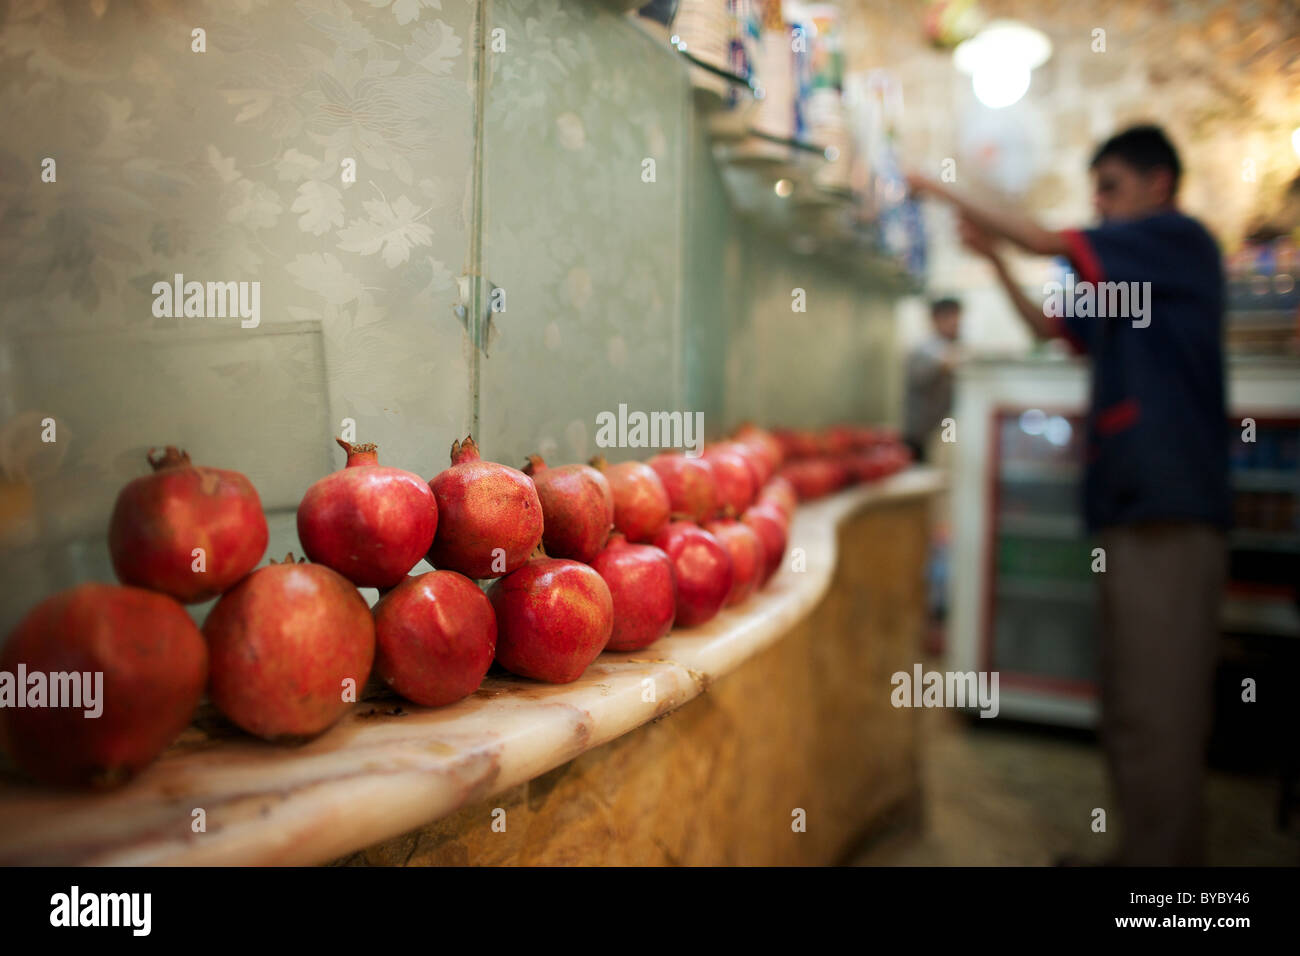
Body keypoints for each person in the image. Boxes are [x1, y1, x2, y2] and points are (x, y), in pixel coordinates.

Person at [909, 124, 1231, 866]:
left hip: (1169, 509)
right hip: (1132, 508)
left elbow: (1039, 236)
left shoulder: (1177, 240)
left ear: (1159, 185)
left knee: (1161, 709)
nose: (1101, 207)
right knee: (1128, 699)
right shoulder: (1134, 281)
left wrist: (938, 181)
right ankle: (1140, 856)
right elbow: (1054, 329)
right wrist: (994, 263)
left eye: (1111, 188)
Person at [904, 297, 963, 464]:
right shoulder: (925, 349)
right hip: (920, 432)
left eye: (957, 317)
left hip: (943, 431)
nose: (956, 322)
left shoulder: (952, 347)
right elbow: (945, 363)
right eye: (950, 317)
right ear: (936, 319)